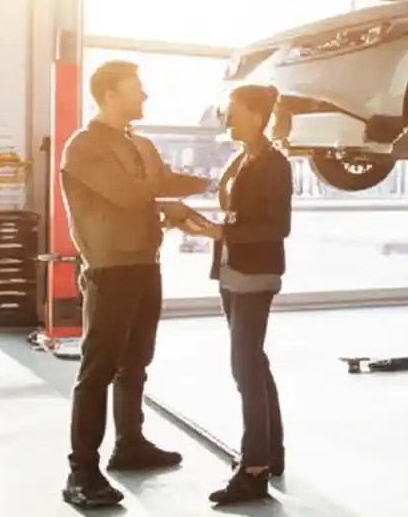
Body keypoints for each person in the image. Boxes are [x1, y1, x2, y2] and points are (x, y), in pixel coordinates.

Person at [59, 60, 211, 508]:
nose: (144, 97)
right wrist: (166, 196)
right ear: (109, 95)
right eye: (135, 90)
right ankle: (81, 472)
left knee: (136, 363)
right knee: (97, 371)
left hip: (146, 263)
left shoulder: (139, 144)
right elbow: (127, 194)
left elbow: (158, 183)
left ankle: (130, 445)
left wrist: (219, 183)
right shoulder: (83, 147)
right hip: (109, 269)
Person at [180, 84, 292, 505]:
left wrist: (221, 232)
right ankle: (270, 453)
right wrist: (202, 225)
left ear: (258, 117)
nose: (228, 119)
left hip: (254, 274)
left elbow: (277, 227)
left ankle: (254, 469)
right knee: (254, 363)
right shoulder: (240, 160)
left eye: (235, 112)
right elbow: (235, 213)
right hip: (231, 270)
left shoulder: (275, 165)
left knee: (244, 367)